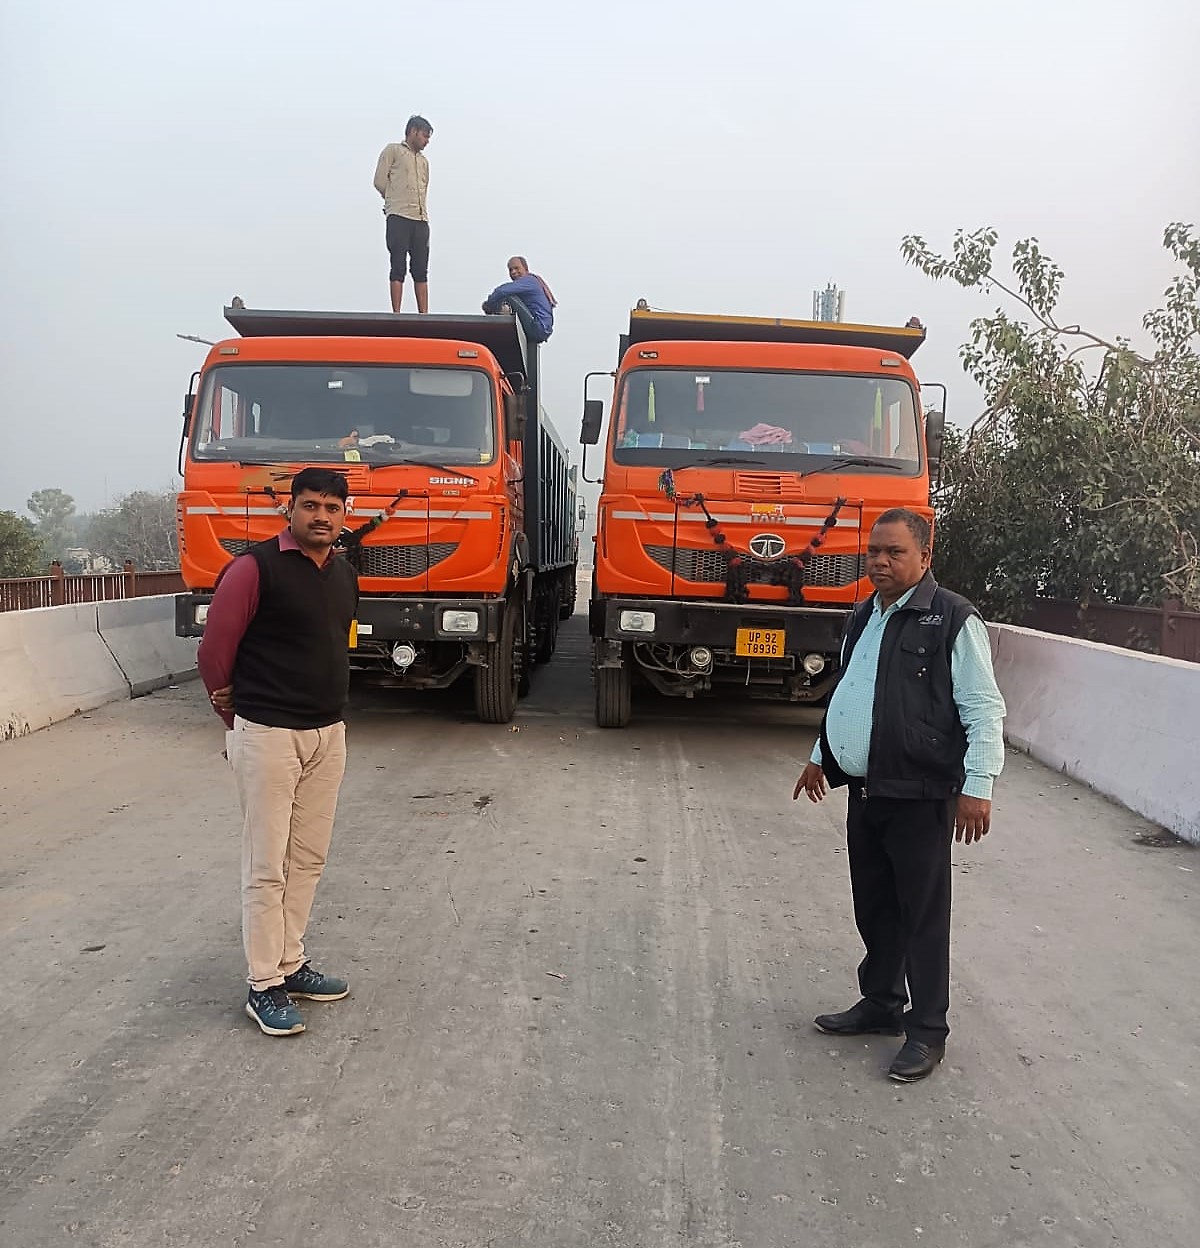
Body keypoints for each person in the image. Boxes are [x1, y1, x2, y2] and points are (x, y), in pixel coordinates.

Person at [793, 508, 1006, 1082]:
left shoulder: (954, 619)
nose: (881, 562)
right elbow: (851, 692)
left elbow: (984, 708)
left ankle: (927, 1030)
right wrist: (822, 757)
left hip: (920, 793)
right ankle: (882, 1003)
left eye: (895, 552)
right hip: (867, 791)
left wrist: (977, 786)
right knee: (876, 905)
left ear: (925, 557)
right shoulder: (865, 614)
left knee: (922, 916)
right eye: (874, 552)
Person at [198, 467, 360, 1037]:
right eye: (311, 504)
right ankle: (262, 982)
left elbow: (340, 639)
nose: (322, 515)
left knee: (308, 858)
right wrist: (236, 721)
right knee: (266, 865)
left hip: (326, 734)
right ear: (289, 510)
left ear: (345, 514)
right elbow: (215, 651)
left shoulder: (343, 573)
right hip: (267, 732)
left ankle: (291, 964)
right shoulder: (253, 569)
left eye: (333, 506)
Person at [374, 115, 433, 313]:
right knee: (398, 265)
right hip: (399, 214)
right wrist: (392, 199)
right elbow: (379, 181)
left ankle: (424, 313)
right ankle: (396, 312)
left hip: (420, 217)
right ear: (413, 131)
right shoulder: (393, 151)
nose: (426, 141)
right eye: (424, 136)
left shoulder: (424, 162)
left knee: (421, 269)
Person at [481, 256, 556, 343]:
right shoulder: (529, 283)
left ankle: (498, 314)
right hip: (541, 328)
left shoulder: (529, 281)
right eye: (510, 270)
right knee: (507, 296)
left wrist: (489, 304)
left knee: (509, 297)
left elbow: (501, 291)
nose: (513, 272)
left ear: (525, 268)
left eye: (516, 268)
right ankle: (500, 315)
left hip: (538, 326)